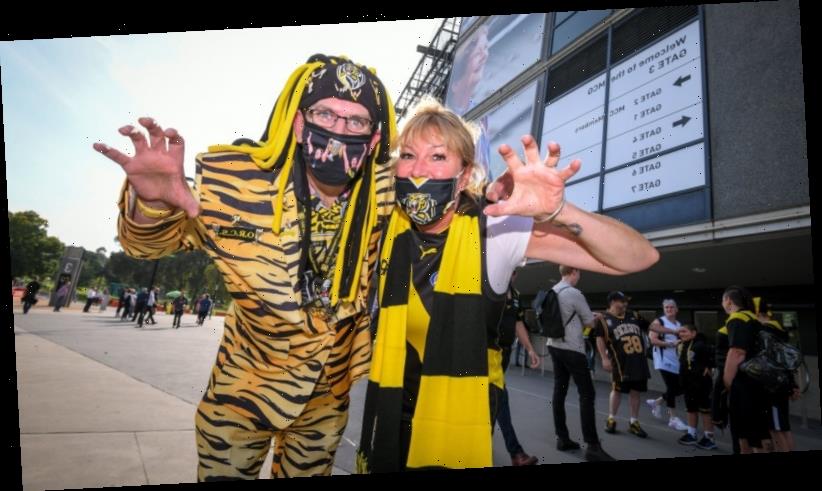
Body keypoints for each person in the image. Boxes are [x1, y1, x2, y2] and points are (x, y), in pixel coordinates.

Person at [94, 53, 396, 479]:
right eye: (324, 113)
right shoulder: (236, 184)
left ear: (374, 137)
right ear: (297, 121)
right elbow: (145, 247)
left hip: (327, 401)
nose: (337, 129)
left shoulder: (388, 198)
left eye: (355, 121)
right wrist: (152, 203)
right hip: (241, 392)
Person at [356, 99, 659, 473]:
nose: (418, 170)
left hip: (454, 425)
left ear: (464, 176)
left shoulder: (494, 231)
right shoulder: (386, 229)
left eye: (437, 157)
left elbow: (639, 258)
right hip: (388, 422)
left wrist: (559, 212)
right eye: (408, 155)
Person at [548, 265, 615, 461]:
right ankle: (593, 446)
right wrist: (598, 316)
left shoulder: (553, 291)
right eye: (579, 272)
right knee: (587, 393)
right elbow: (589, 323)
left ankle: (562, 438)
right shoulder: (574, 293)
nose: (579, 276)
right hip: (572, 349)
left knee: (559, 391)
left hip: (554, 345)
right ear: (574, 272)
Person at [493, 273, 540, 466]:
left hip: (503, 354)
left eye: (514, 272)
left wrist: (530, 349)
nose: (511, 275)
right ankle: (516, 453)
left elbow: (518, 323)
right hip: (487, 353)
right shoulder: (488, 288)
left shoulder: (515, 294)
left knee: (492, 400)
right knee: (499, 398)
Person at [595, 291, 651, 439]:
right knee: (617, 390)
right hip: (620, 362)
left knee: (635, 392)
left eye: (626, 301)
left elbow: (651, 326)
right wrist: (604, 358)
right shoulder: (603, 318)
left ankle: (634, 422)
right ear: (613, 302)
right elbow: (599, 339)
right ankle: (611, 419)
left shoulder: (634, 315)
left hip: (638, 361)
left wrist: (672, 330)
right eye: (622, 301)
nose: (625, 304)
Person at [722, 285, 771, 454]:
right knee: (760, 433)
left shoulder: (737, 319)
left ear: (728, 301)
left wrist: (727, 382)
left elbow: (737, 352)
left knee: (744, 435)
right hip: (759, 381)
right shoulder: (755, 319)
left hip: (744, 384)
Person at [753, 296, 798, 452]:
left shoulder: (765, 331)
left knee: (778, 429)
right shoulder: (778, 328)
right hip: (781, 383)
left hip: (772, 386)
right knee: (780, 426)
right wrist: (792, 384)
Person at [646, 299, 688, 431]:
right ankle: (673, 418)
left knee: (679, 388)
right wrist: (670, 344)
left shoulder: (679, 324)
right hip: (663, 360)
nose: (669, 309)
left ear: (676, 309)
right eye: (666, 308)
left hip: (675, 360)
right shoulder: (659, 322)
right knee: (671, 387)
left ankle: (657, 402)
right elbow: (652, 340)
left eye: (671, 307)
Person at [675, 324, 717, 450]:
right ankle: (691, 434)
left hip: (702, 384)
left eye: (685, 331)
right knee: (691, 408)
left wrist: (709, 367)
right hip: (688, 383)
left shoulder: (700, 345)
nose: (682, 334)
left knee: (705, 410)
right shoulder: (682, 345)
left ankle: (709, 438)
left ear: (694, 333)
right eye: (681, 332)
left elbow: (713, 355)